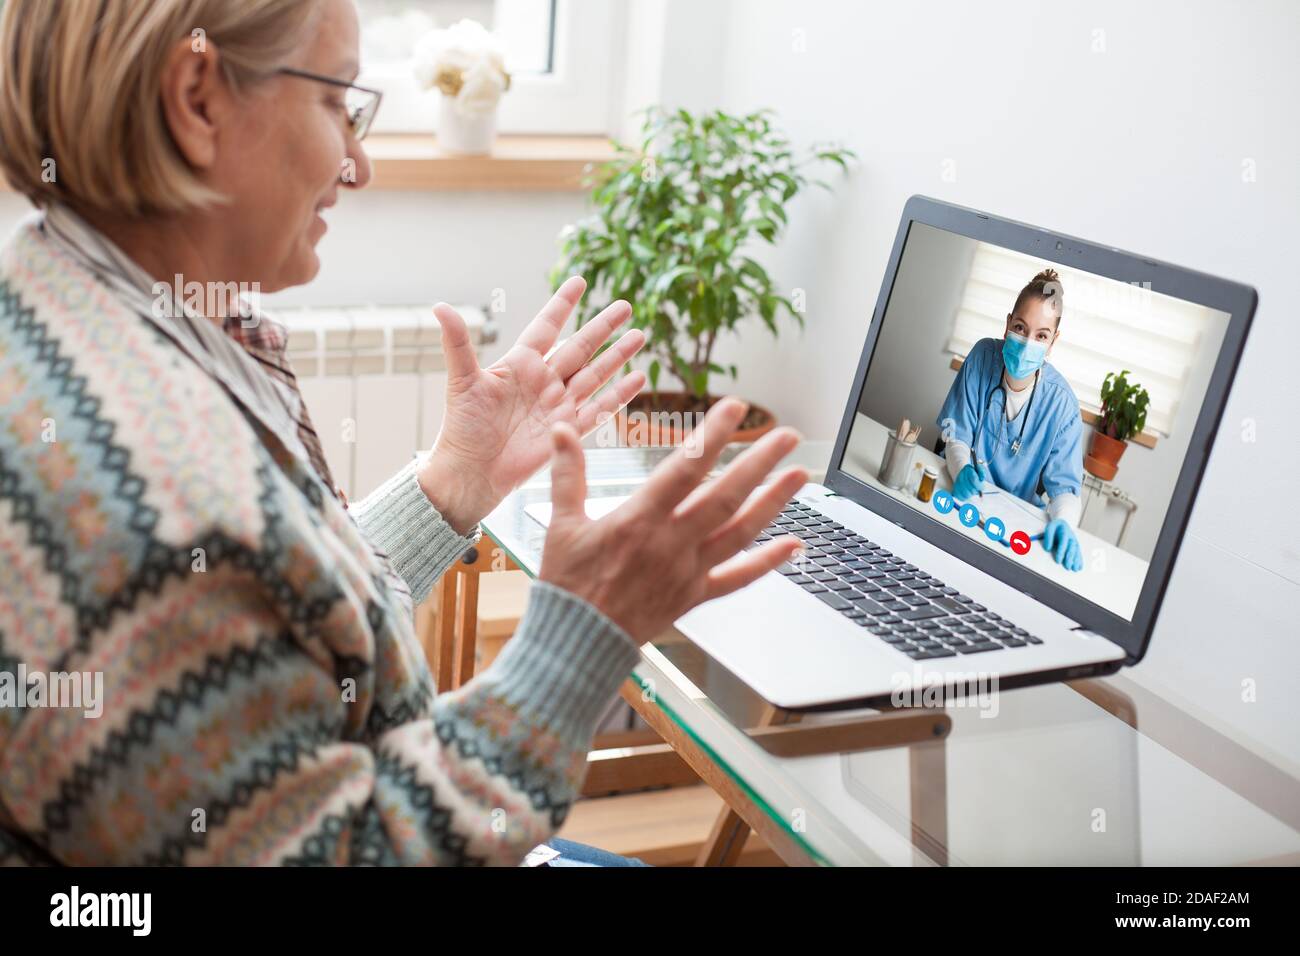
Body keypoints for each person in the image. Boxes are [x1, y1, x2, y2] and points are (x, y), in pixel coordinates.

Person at [0, 0, 808, 866]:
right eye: (337, 103)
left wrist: (453, 483)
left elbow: (273, 622)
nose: (360, 163)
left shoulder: (76, 291)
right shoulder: (147, 495)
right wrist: (582, 635)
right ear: (197, 99)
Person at [935, 269, 1085, 571]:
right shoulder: (981, 357)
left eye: (1041, 335)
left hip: (1007, 524)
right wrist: (961, 468)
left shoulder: (1062, 406)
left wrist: (1066, 523)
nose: (1028, 342)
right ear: (1007, 325)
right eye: (1020, 327)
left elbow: (1065, 489)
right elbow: (956, 435)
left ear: (1053, 341)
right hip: (958, 501)